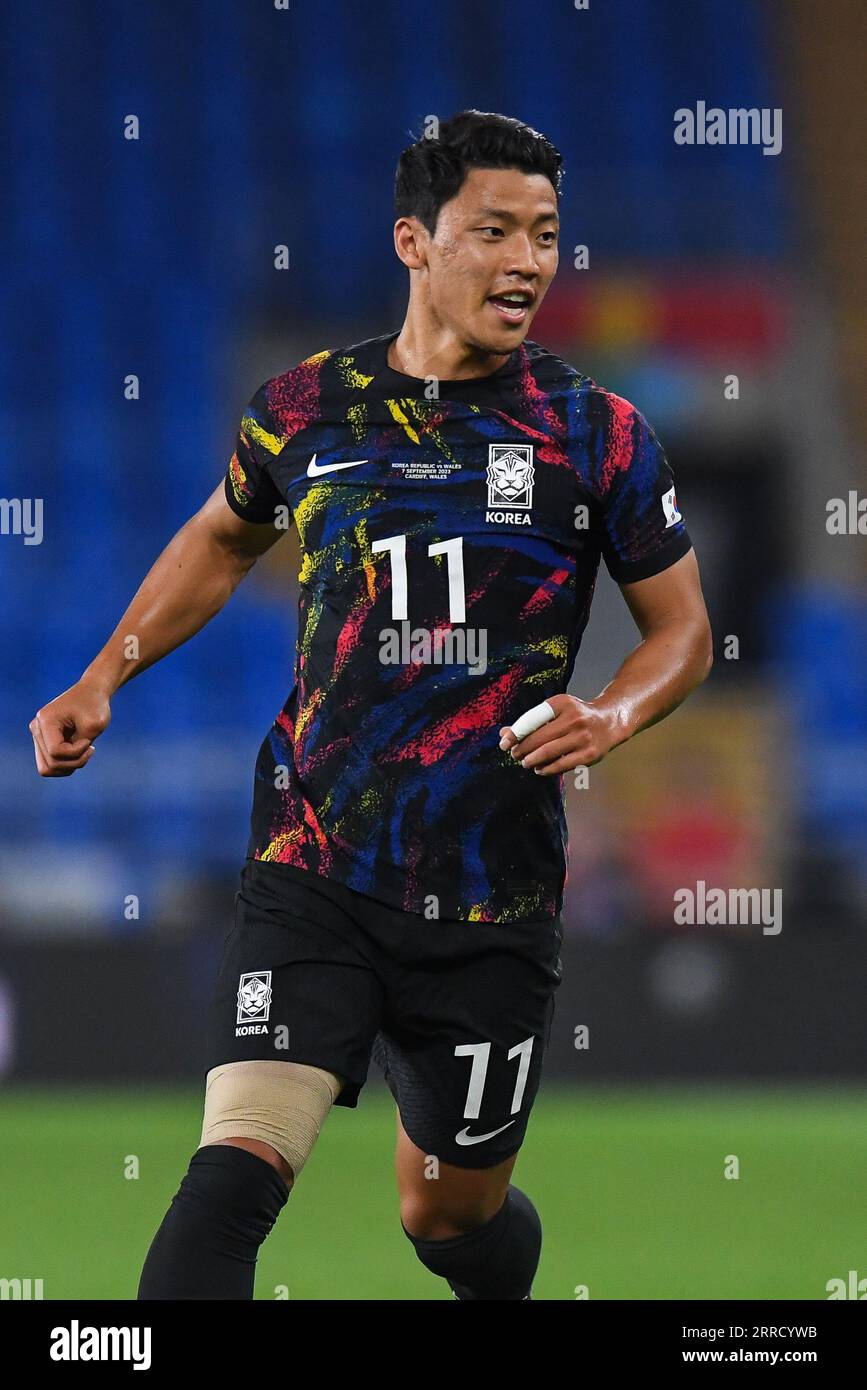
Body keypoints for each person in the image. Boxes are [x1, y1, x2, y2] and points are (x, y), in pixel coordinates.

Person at [30, 110, 713, 1300]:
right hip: (315, 860)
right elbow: (220, 536)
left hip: (493, 889)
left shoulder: (596, 433)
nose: (527, 262)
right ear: (414, 240)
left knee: (446, 1215)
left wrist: (608, 716)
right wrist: (104, 674)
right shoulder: (305, 408)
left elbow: (686, 630)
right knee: (236, 1171)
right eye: (494, 231)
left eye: (545, 235)